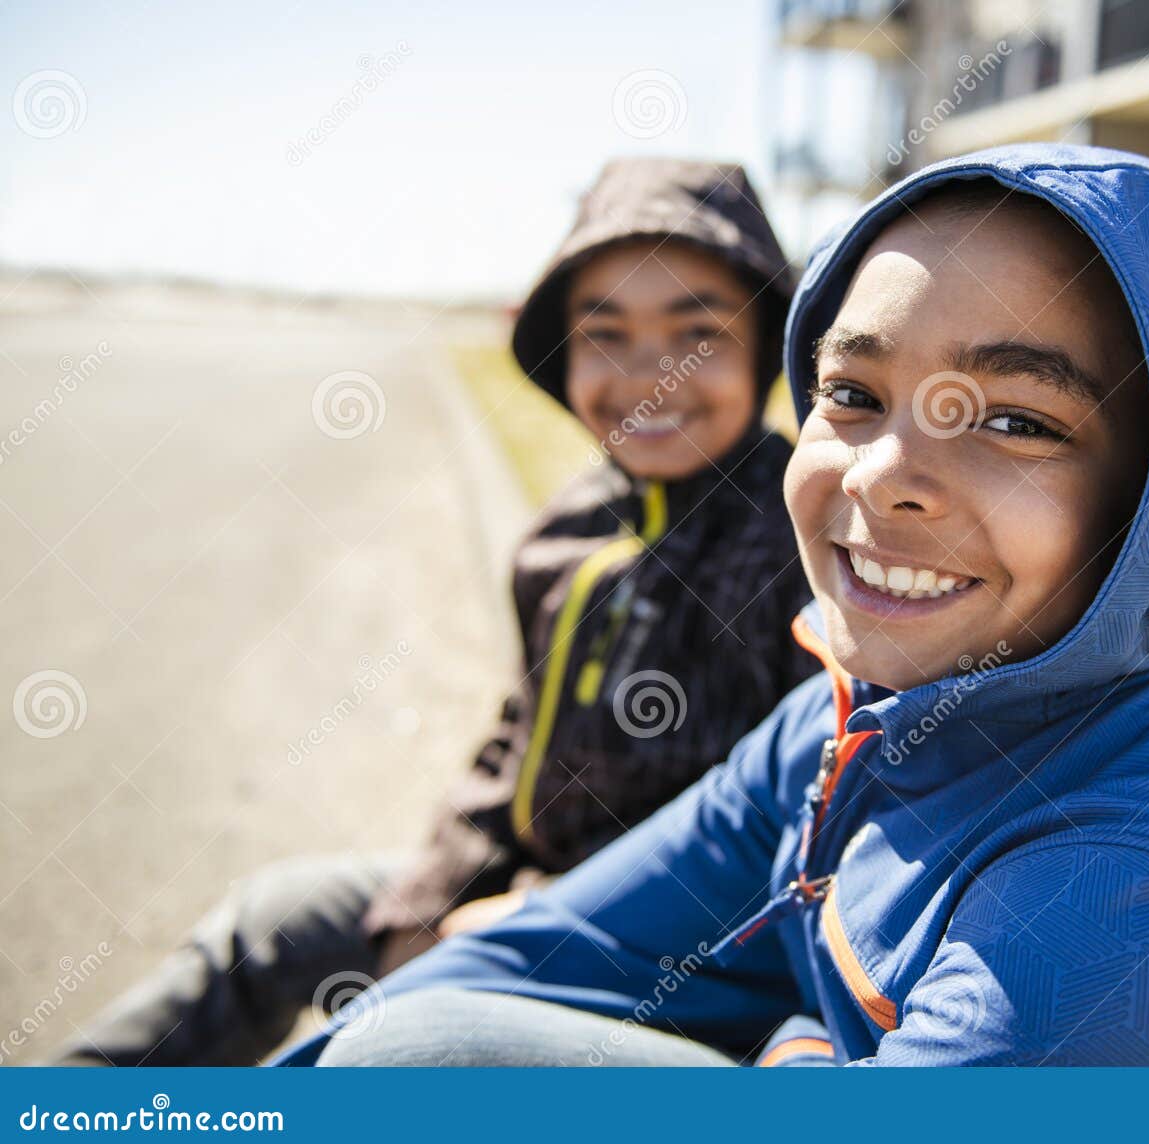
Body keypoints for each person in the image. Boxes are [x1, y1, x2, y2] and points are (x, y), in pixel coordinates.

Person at [276, 144, 1149, 1068]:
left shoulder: (1124, 916)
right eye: (854, 394)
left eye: (1016, 419)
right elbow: (541, 949)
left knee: (418, 1063)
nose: (877, 476)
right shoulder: (845, 723)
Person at [55, 158, 817, 1066]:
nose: (649, 377)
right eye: (604, 334)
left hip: (676, 961)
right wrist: (431, 896)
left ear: (770, 342)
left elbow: (807, 817)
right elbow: (517, 739)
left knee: (388, 1049)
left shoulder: (804, 543)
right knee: (271, 921)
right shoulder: (565, 531)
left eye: (698, 334)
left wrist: (543, 919)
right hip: (519, 887)